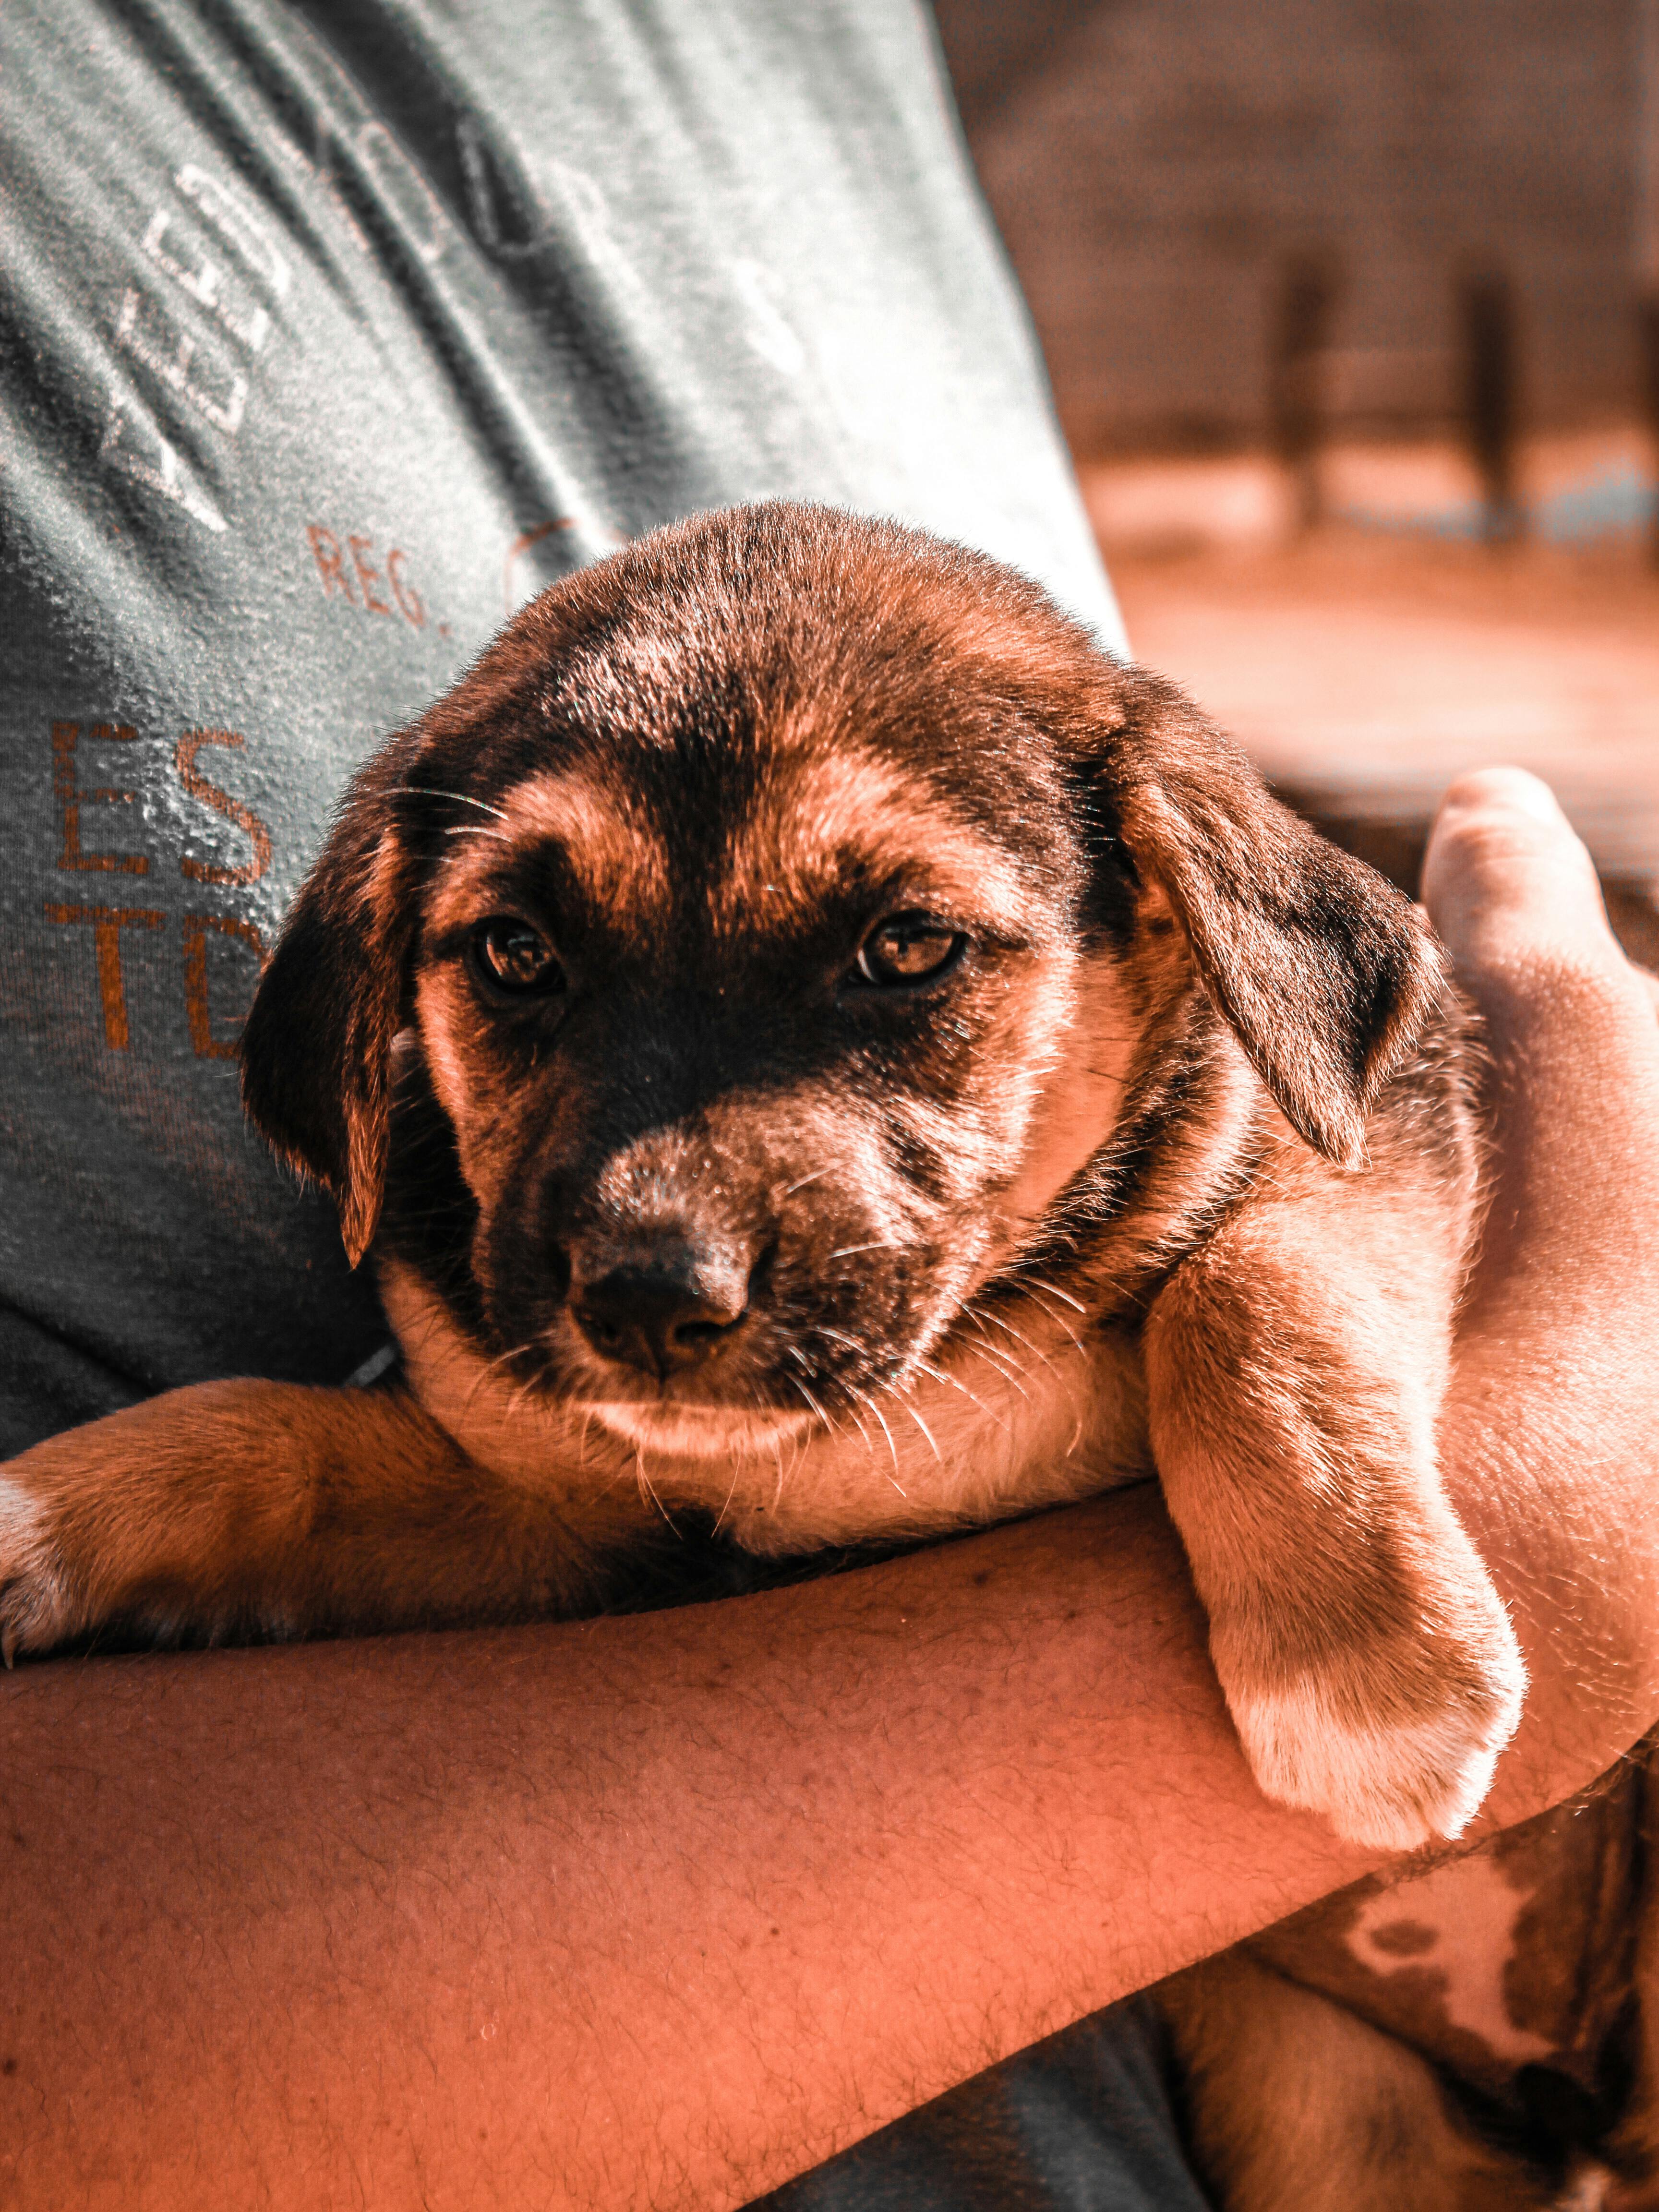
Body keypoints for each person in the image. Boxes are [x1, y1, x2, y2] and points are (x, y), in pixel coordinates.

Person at [4, 4, 1659, 2206]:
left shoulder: (1195, 1074)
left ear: (1170, 939)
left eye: (903, 961)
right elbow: (507, 1520)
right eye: (522, 958)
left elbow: (1391, 1133)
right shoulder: (506, 1311)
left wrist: (1302, 1404)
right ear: (373, 1014)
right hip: (1292, 2012)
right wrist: (123, 1507)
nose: (658, 1217)